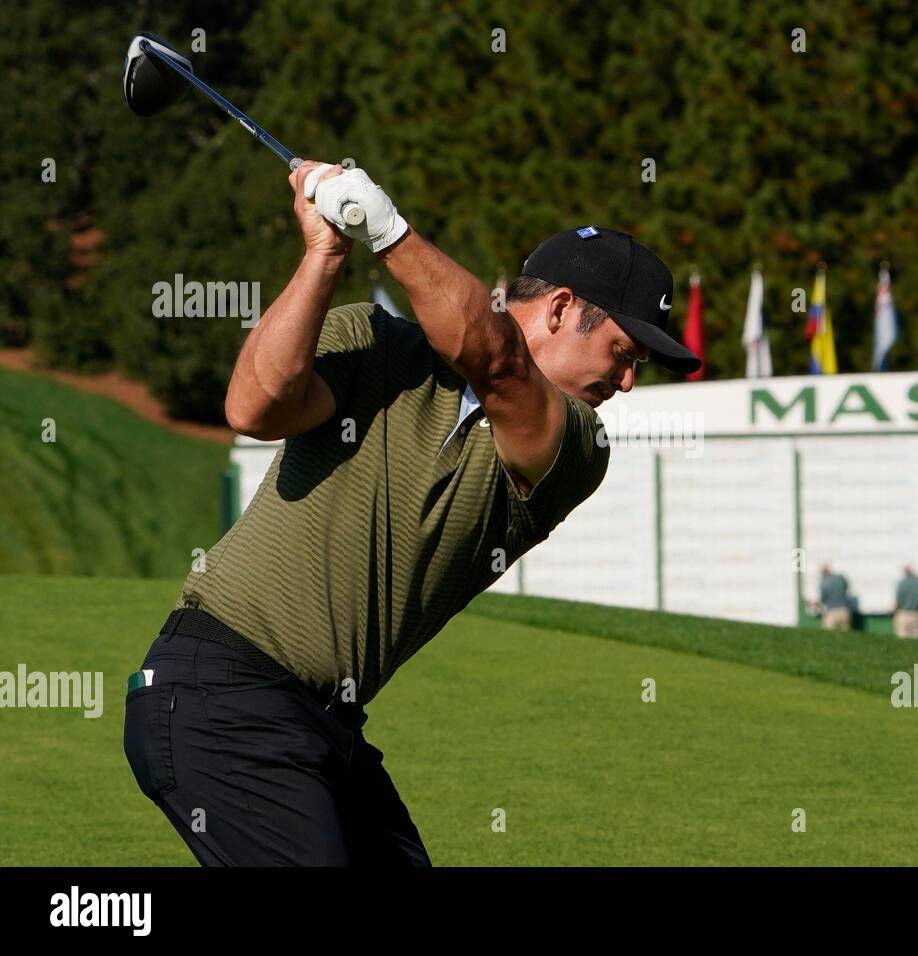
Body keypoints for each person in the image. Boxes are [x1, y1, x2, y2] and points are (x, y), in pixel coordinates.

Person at [121, 162, 701, 866]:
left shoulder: (577, 444)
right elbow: (255, 408)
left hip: (324, 725)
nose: (628, 380)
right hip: (218, 694)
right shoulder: (372, 341)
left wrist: (389, 230)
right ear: (558, 309)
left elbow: (500, 366)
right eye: (623, 351)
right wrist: (325, 256)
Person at [811, 565, 853, 631]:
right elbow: (846, 587)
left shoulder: (824, 582)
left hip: (832, 613)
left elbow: (823, 599)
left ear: (823, 572)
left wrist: (814, 604)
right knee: (847, 636)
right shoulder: (841, 578)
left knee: (829, 636)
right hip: (845, 611)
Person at [893, 565, 918, 638]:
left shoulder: (902, 583)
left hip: (903, 613)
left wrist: (894, 610)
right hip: (916, 613)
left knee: (902, 637)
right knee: (914, 637)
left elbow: (898, 599)